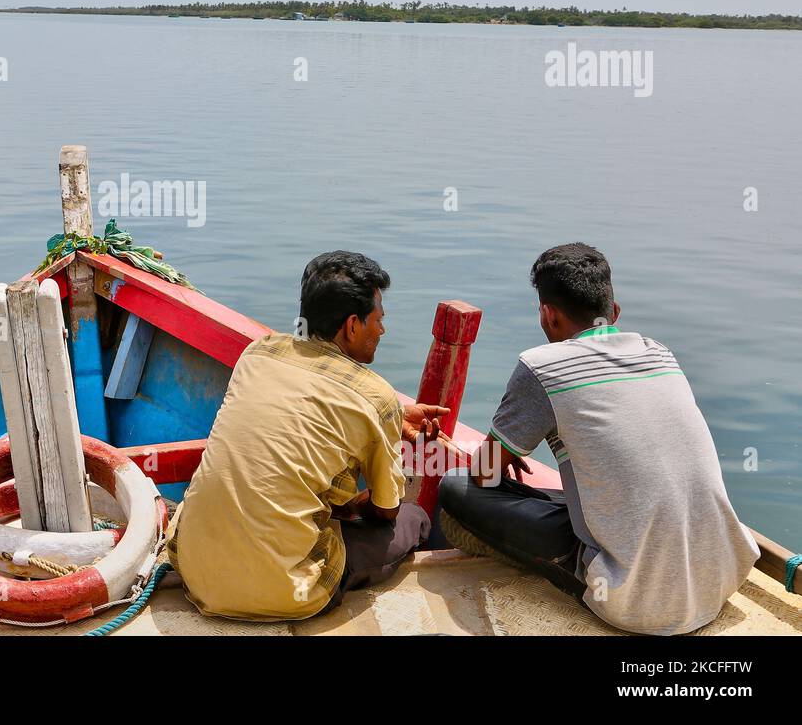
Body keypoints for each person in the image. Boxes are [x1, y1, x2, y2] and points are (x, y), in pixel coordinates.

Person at [439, 242, 759, 635]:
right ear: (615, 313)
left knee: (455, 485)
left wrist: (495, 460)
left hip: (637, 603)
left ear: (547, 315)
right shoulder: (659, 353)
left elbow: (484, 474)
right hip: (722, 577)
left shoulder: (541, 366)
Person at [167, 251, 447, 620]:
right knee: (413, 518)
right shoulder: (375, 395)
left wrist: (393, 417)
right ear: (351, 325)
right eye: (378, 320)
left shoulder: (259, 353)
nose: (382, 330)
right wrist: (356, 503)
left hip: (193, 568)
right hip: (285, 591)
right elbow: (385, 510)